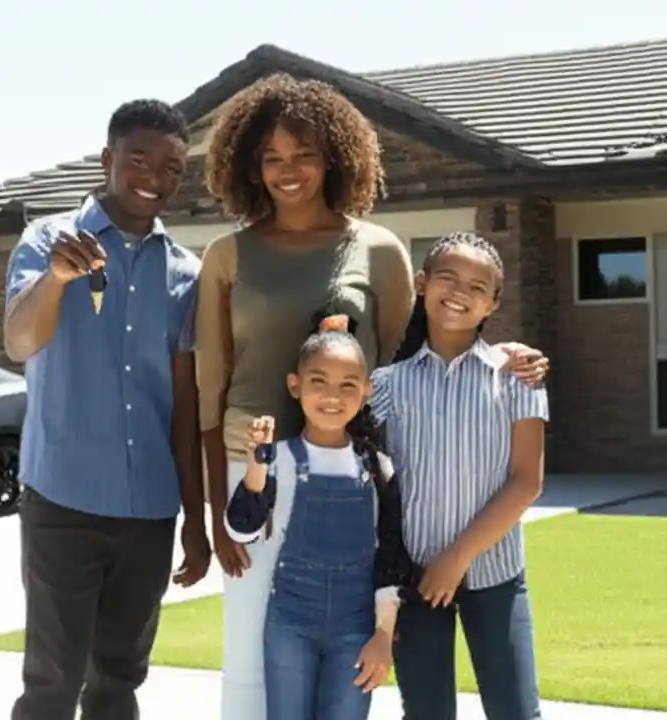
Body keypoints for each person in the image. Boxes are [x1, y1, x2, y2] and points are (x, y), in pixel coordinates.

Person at [192, 72, 550, 718]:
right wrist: (216, 515)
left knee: (344, 653)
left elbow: (415, 356)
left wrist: (501, 355)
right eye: (271, 157)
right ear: (249, 163)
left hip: (346, 478)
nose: (288, 169)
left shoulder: (378, 248)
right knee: (250, 660)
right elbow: (209, 392)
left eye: (303, 153)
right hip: (256, 473)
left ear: (334, 154)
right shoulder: (225, 254)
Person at [3, 98, 211, 720]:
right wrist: (57, 280)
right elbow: (19, 341)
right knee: (52, 684)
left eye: (171, 167)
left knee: (119, 682)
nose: (153, 178)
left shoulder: (185, 275)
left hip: (149, 510)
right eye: (138, 160)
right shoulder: (46, 242)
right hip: (62, 499)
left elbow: (183, 408)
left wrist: (195, 524)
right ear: (107, 160)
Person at [371, 232, 549, 720]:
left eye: (477, 286)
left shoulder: (517, 378)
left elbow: (525, 483)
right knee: (427, 713)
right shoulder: (388, 385)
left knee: (515, 710)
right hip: (418, 579)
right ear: (422, 284)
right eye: (447, 278)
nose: (459, 292)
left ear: (493, 302)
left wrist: (457, 558)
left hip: (495, 575)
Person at [223, 312, 419, 720]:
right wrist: (256, 464)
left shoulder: (378, 468)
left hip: (356, 625)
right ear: (294, 386)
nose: (333, 395)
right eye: (319, 382)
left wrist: (383, 636)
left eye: (348, 385)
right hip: (290, 621)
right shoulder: (280, 460)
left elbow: (391, 559)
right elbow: (241, 528)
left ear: (366, 390)